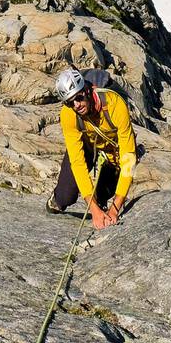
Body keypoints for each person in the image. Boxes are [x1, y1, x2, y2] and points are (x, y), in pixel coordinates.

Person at [47, 68, 136, 229]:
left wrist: (115, 209)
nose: (76, 105)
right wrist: (93, 210)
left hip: (113, 149)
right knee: (64, 197)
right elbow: (77, 162)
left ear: (88, 90)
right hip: (87, 144)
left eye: (79, 98)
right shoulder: (68, 114)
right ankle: (58, 198)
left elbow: (129, 159)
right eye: (70, 102)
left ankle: (101, 198)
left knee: (103, 194)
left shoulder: (114, 104)